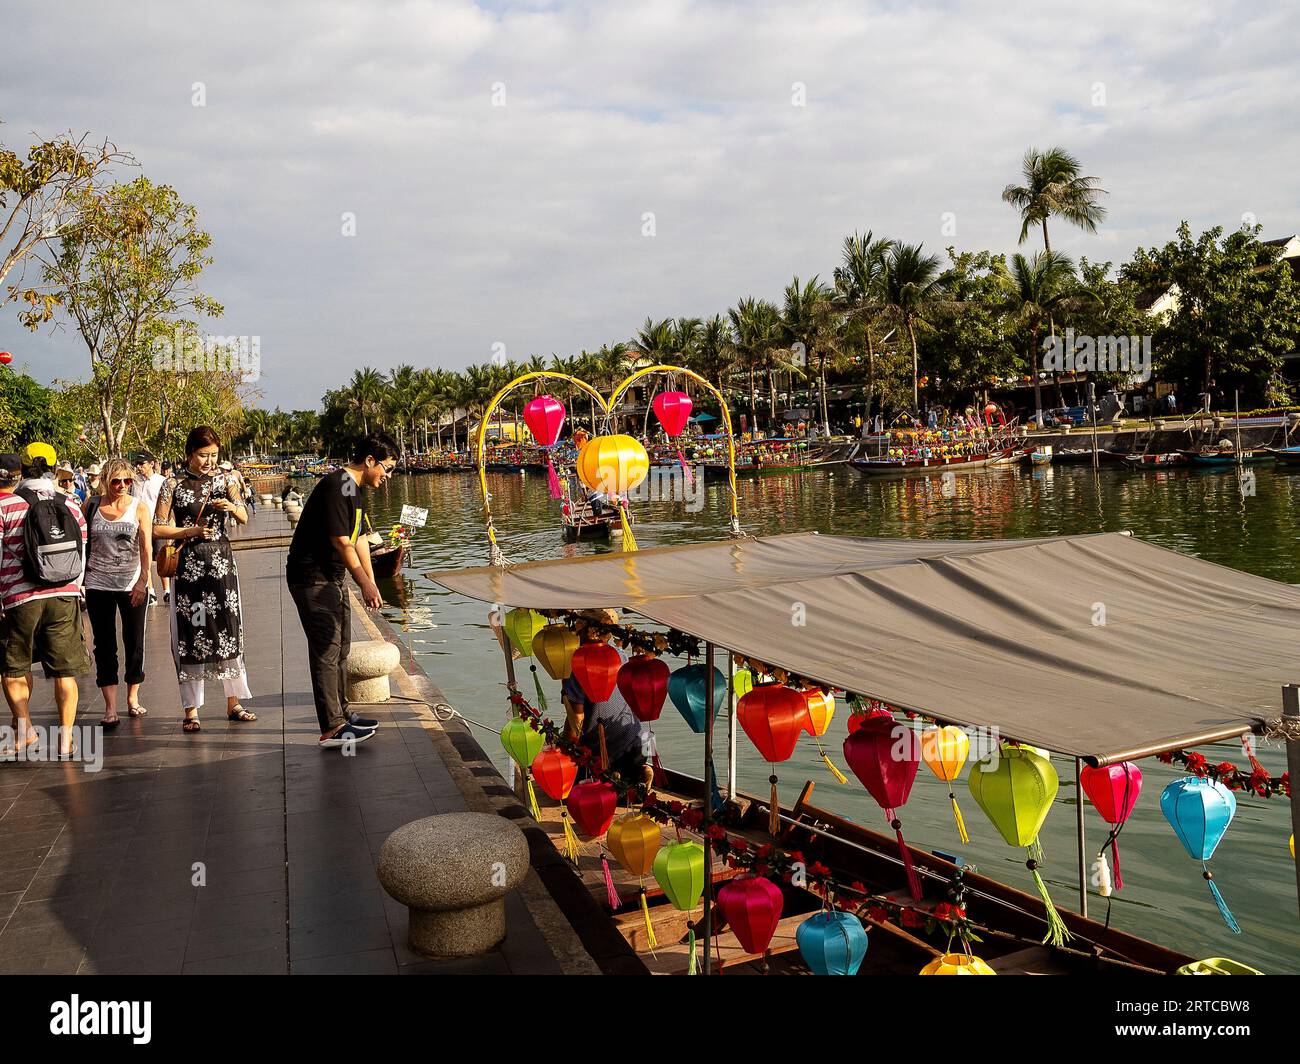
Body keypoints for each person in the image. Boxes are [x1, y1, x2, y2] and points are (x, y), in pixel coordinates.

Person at [286, 433, 395, 749]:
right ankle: (332, 727)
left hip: (332, 578)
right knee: (327, 649)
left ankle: (344, 714)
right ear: (370, 461)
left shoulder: (356, 491)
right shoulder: (338, 485)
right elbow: (341, 541)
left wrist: (371, 582)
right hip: (311, 577)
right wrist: (363, 581)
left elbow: (361, 538)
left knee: (342, 646)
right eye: (386, 469)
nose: (386, 477)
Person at [153, 426, 254, 733]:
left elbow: (244, 518)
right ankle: (191, 709)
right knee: (191, 632)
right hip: (189, 567)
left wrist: (231, 507)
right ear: (189, 453)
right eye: (203, 455)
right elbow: (158, 528)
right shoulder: (173, 484)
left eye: (214, 455)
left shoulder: (226, 479)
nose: (209, 461)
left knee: (228, 630)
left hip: (222, 565)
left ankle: (233, 701)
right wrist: (189, 532)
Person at [0, 443, 90, 758]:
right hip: (64, 594)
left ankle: (25, 730)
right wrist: (76, 590)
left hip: (18, 598)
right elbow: (82, 553)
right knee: (65, 671)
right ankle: (66, 741)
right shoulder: (72, 504)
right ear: (54, 468)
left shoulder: (8, 505)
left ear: (21, 469)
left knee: (14, 665)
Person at [83, 458, 153, 726]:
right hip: (97, 583)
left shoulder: (139, 508)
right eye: (116, 481)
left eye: (127, 481)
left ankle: (133, 697)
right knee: (104, 645)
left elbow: (146, 547)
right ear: (105, 481)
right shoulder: (91, 505)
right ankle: (110, 706)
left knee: (134, 641)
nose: (122, 486)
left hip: (130, 583)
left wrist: (143, 580)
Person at [560, 615, 649, 785]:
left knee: (574, 788)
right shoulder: (620, 655)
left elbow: (576, 722)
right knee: (628, 787)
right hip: (638, 744)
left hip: (605, 753)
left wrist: (564, 747)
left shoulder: (579, 666)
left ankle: (617, 777)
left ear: (583, 632)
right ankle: (639, 772)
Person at [132, 450, 166, 606]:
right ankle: (150, 591)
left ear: (152, 463)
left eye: (142, 464)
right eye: (137, 464)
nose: (139, 467)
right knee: (145, 557)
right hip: (141, 526)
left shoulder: (161, 481)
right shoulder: (134, 482)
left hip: (158, 525)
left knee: (161, 558)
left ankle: (167, 591)